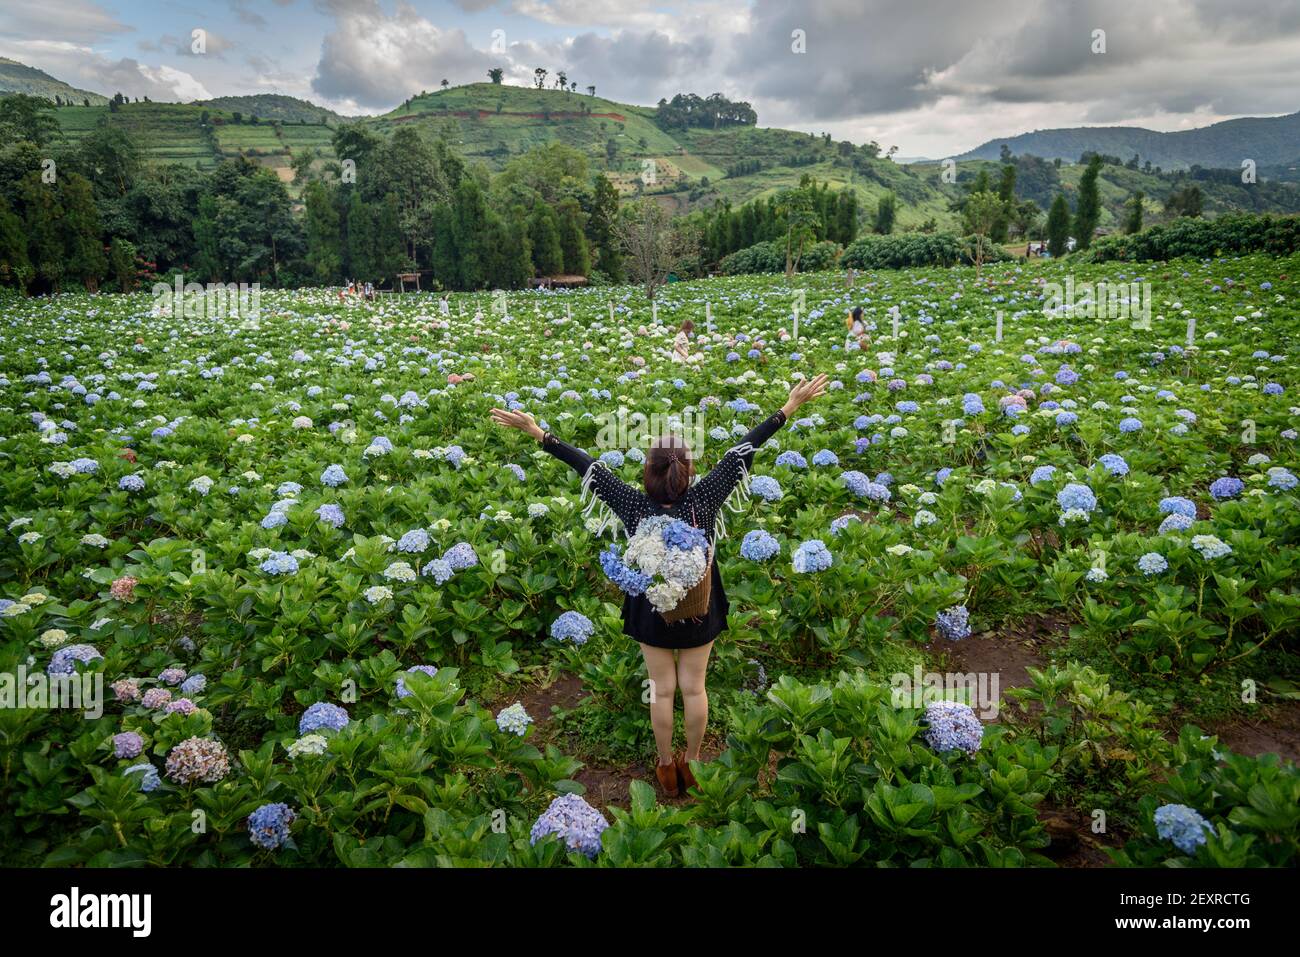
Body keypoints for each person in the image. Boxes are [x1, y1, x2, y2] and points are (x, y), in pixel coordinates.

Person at [489, 373, 829, 798]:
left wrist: (538, 432)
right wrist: (789, 407)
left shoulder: (633, 503)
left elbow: (586, 465)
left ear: (648, 473)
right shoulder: (704, 499)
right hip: (700, 607)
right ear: (686, 473)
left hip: (650, 611)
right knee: (694, 687)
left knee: (662, 689)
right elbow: (744, 450)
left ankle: (666, 765)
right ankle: (694, 760)